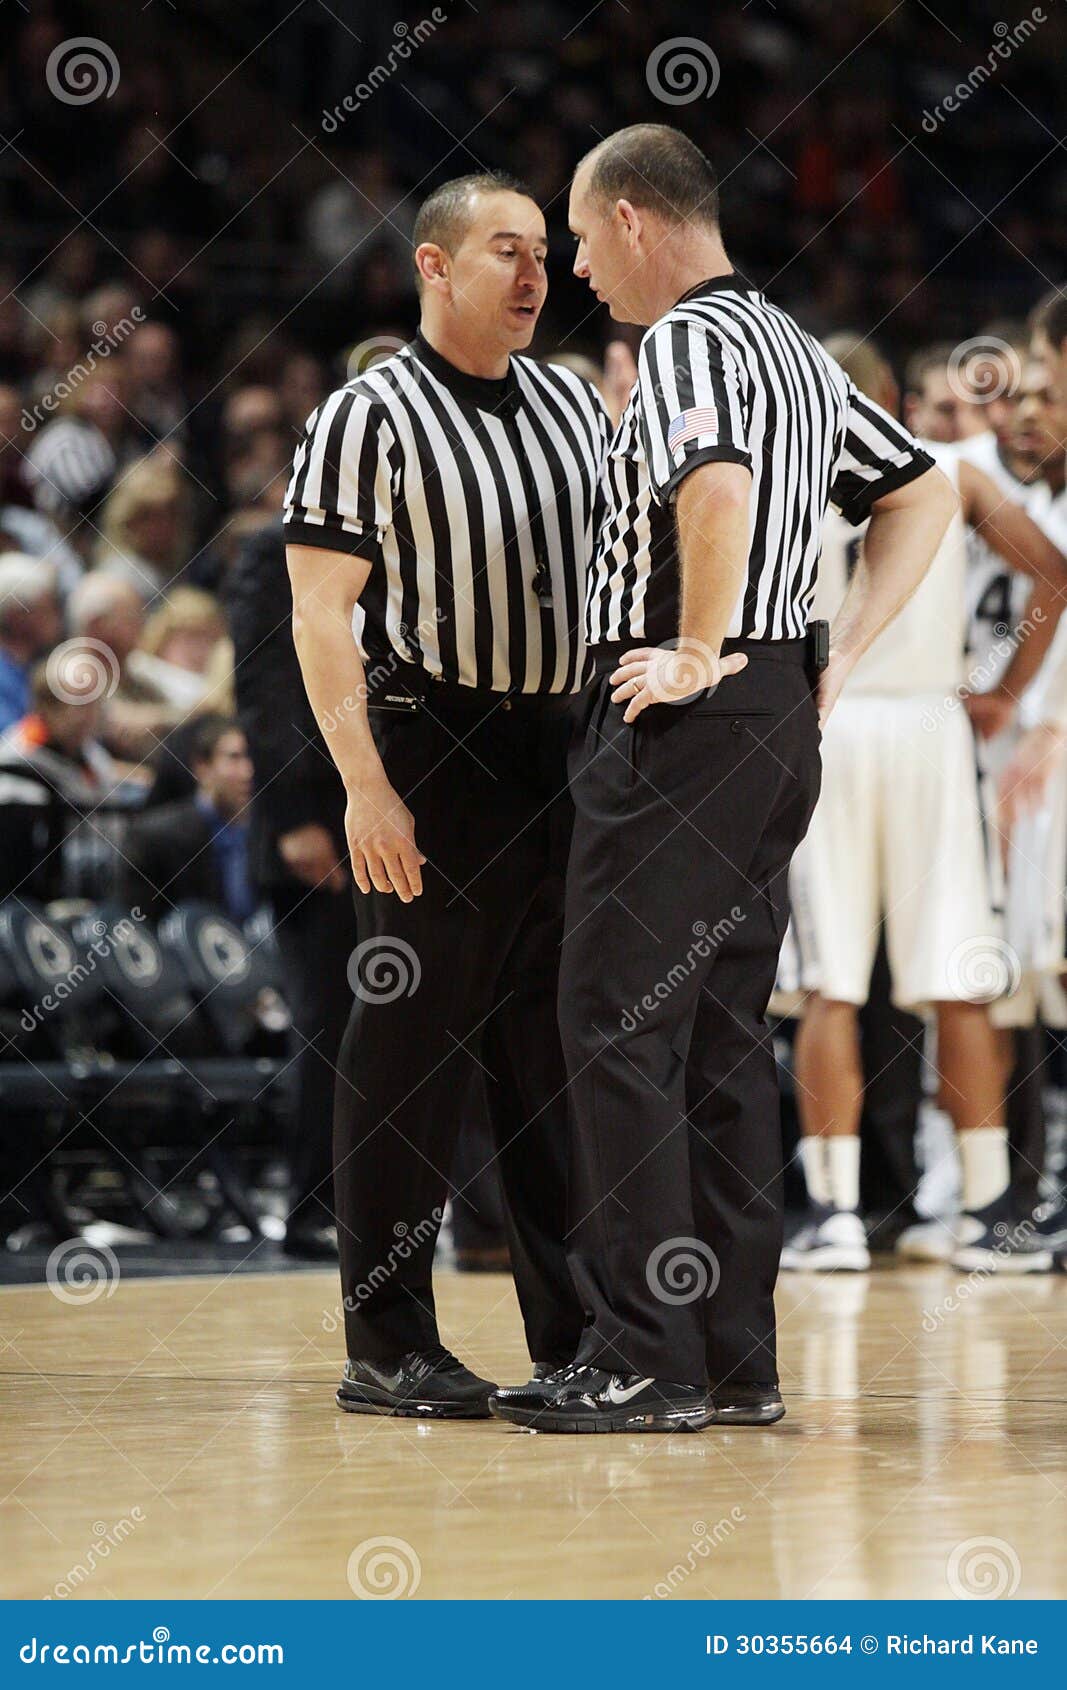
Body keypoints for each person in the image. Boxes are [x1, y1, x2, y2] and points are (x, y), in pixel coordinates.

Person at [491, 123, 955, 1436]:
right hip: (771, 718)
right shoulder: (797, 350)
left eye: (580, 238)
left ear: (633, 221)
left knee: (612, 1022)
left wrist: (696, 644)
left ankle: (642, 1353)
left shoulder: (688, 340)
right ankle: (729, 1359)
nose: (579, 267)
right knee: (712, 1037)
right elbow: (914, 491)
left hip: (684, 713)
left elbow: (711, 479)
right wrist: (830, 653)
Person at [284, 172, 609, 1418]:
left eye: (541, 252)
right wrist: (364, 786)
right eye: (503, 251)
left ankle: (573, 1333)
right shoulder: (368, 412)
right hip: (431, 748)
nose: (533, 274)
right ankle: (388, 1340)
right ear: (431, 266)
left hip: (559, 747)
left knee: (548, 1055)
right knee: (410, 1052)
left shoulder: (574, 404)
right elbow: (321, 617)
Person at [781, 336, 1066, 1276]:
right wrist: (1000, 688)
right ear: (894, 398)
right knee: (956, 976)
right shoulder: (945, 472)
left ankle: (830, 1215)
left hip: (828, 725)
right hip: (929, 730)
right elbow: (1054, 574)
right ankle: (985, 1213)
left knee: (829, 985)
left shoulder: (776, 478)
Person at [227, 516, 355, 1261]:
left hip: (393, 816)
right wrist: (295, 817)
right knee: (329, 1020)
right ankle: (312, 1206)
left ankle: (384, 1206)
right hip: (313, 824)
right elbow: (264, 689)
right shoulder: (269, 552)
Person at [120, 715, 255, 923]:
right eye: (234, 758)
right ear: (202, 767)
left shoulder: (270, 834)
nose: (248, 772)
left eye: (252, 758)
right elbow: (135, 928)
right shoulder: (154, 838)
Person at [0, 553, 61, 733]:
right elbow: (10, 739)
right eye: (47, 607)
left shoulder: (37, 664)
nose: (56, 616)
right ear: (16, 616)